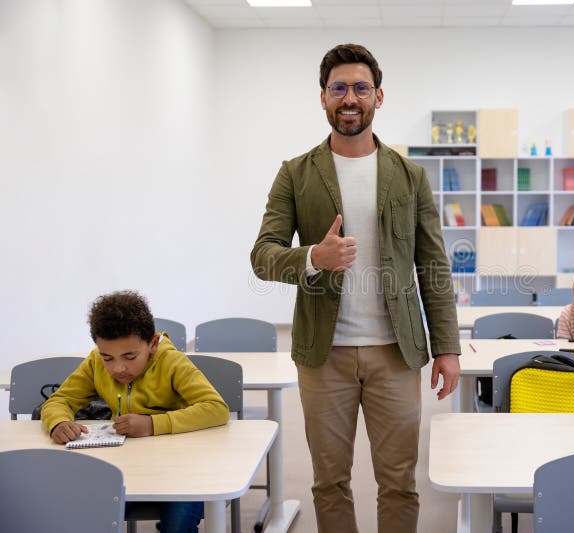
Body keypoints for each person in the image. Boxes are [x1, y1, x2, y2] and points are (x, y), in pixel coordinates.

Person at [250, 43, 460, 533]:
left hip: (396, 351)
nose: (350, 98)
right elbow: (262, 254)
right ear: (323, 98)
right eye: (339, 88)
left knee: (399, 481)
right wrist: (311, 258)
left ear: (378, 97)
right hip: (324, 356)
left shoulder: (410, 176)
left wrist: (447, 348)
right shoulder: (296, 173)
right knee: (329, 481)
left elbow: (434, 265)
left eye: (360, 88)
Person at [41, 290, 229, 533]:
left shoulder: (172, 362)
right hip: (125, 466)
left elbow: (216, 408)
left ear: (152, 343)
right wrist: (58, 423)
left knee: (178, 524)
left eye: (130, 356)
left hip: (182, 468)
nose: (118, 368)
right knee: (84, 511)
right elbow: (60, 400)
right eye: (108, 358)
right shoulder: (95, 363)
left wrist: (152, 424)